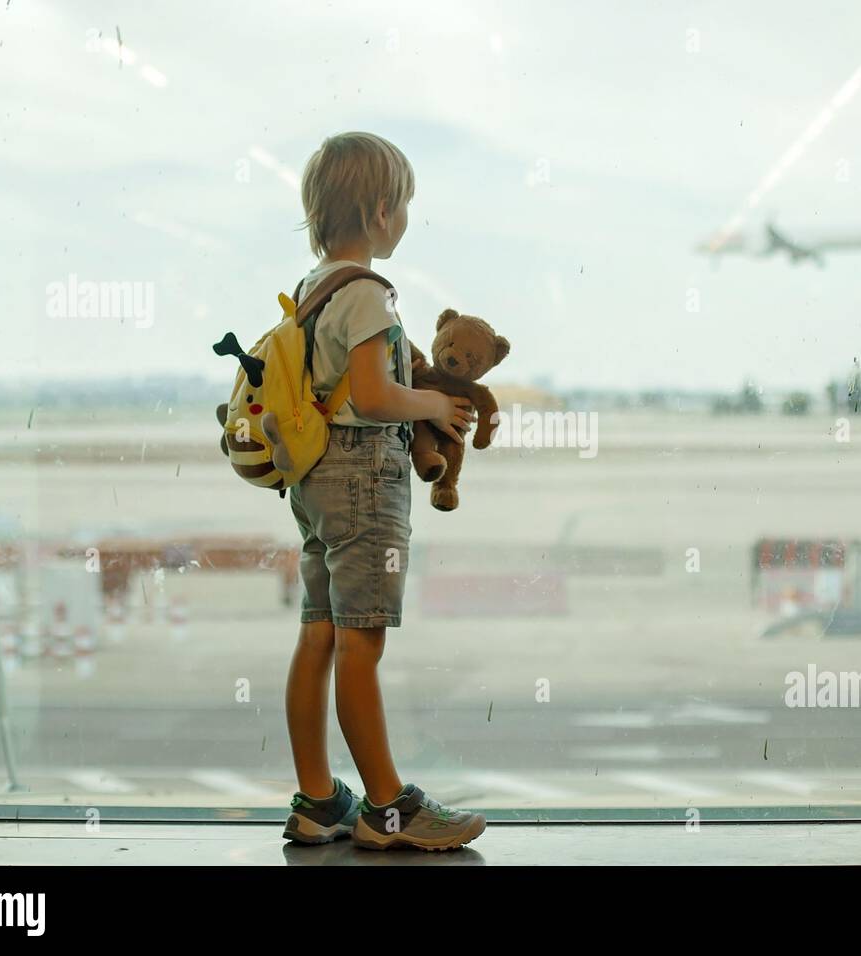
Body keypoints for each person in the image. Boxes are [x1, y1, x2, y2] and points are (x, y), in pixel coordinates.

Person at [281, 131, 486, 850]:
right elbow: (371, 395)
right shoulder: (367, 294)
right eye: (401, 207)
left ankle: (316, 801)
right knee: (362, 643)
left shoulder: (312, 289)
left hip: (313, 482)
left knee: (320, 634)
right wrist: (434, 407)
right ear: (376, 214)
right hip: (363, 478)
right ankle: (388, 810)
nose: (404, 220)